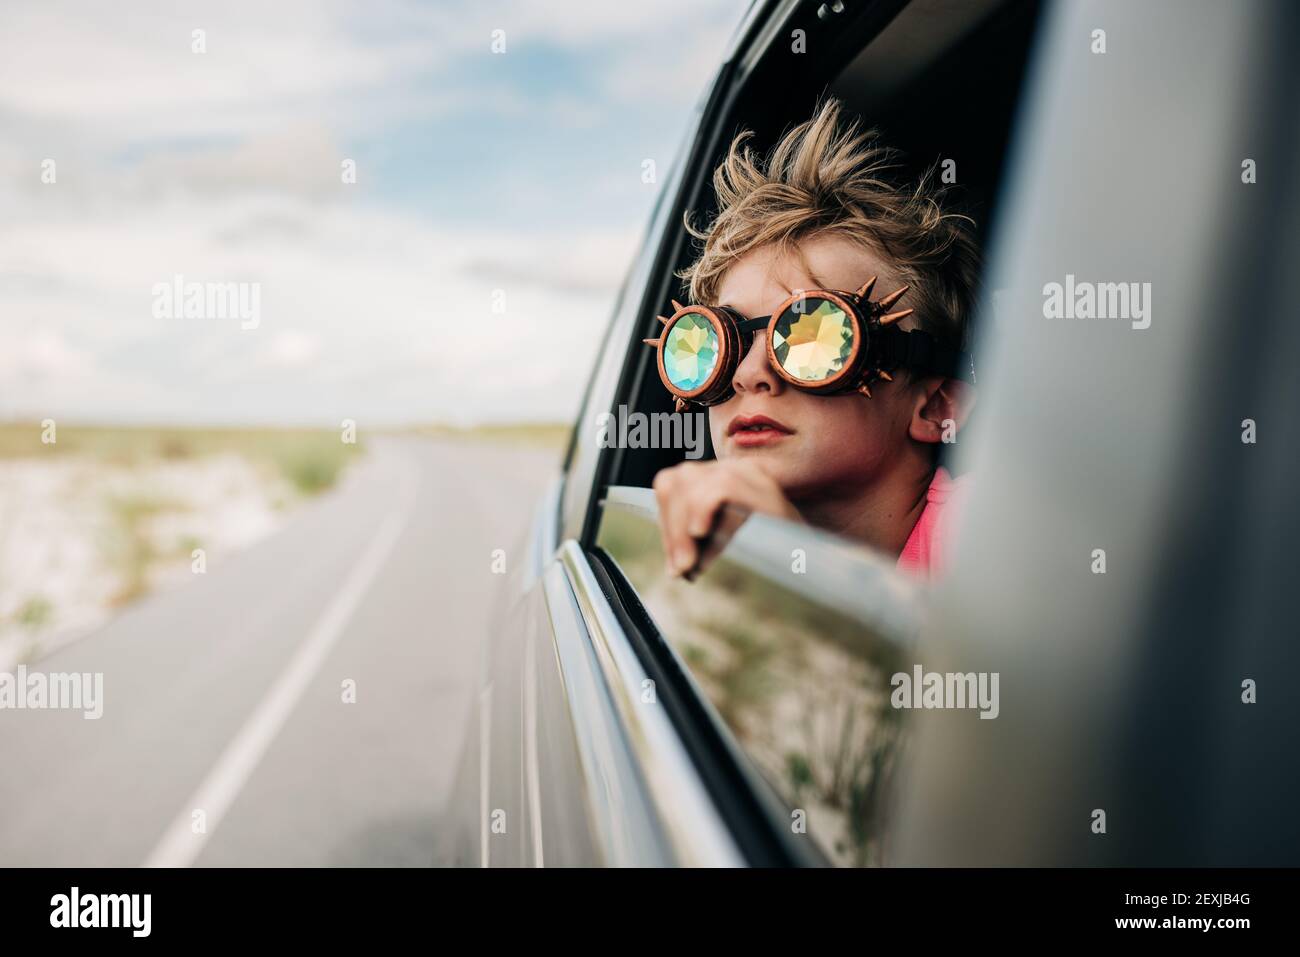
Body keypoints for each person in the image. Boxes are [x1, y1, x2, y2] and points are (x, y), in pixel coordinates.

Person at [648, 98, 979, 579]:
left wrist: (800, 572)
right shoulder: (712, 541)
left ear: (936, 408)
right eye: (718, 346)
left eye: (813, 335)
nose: (748, 375)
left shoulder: (988, 531)